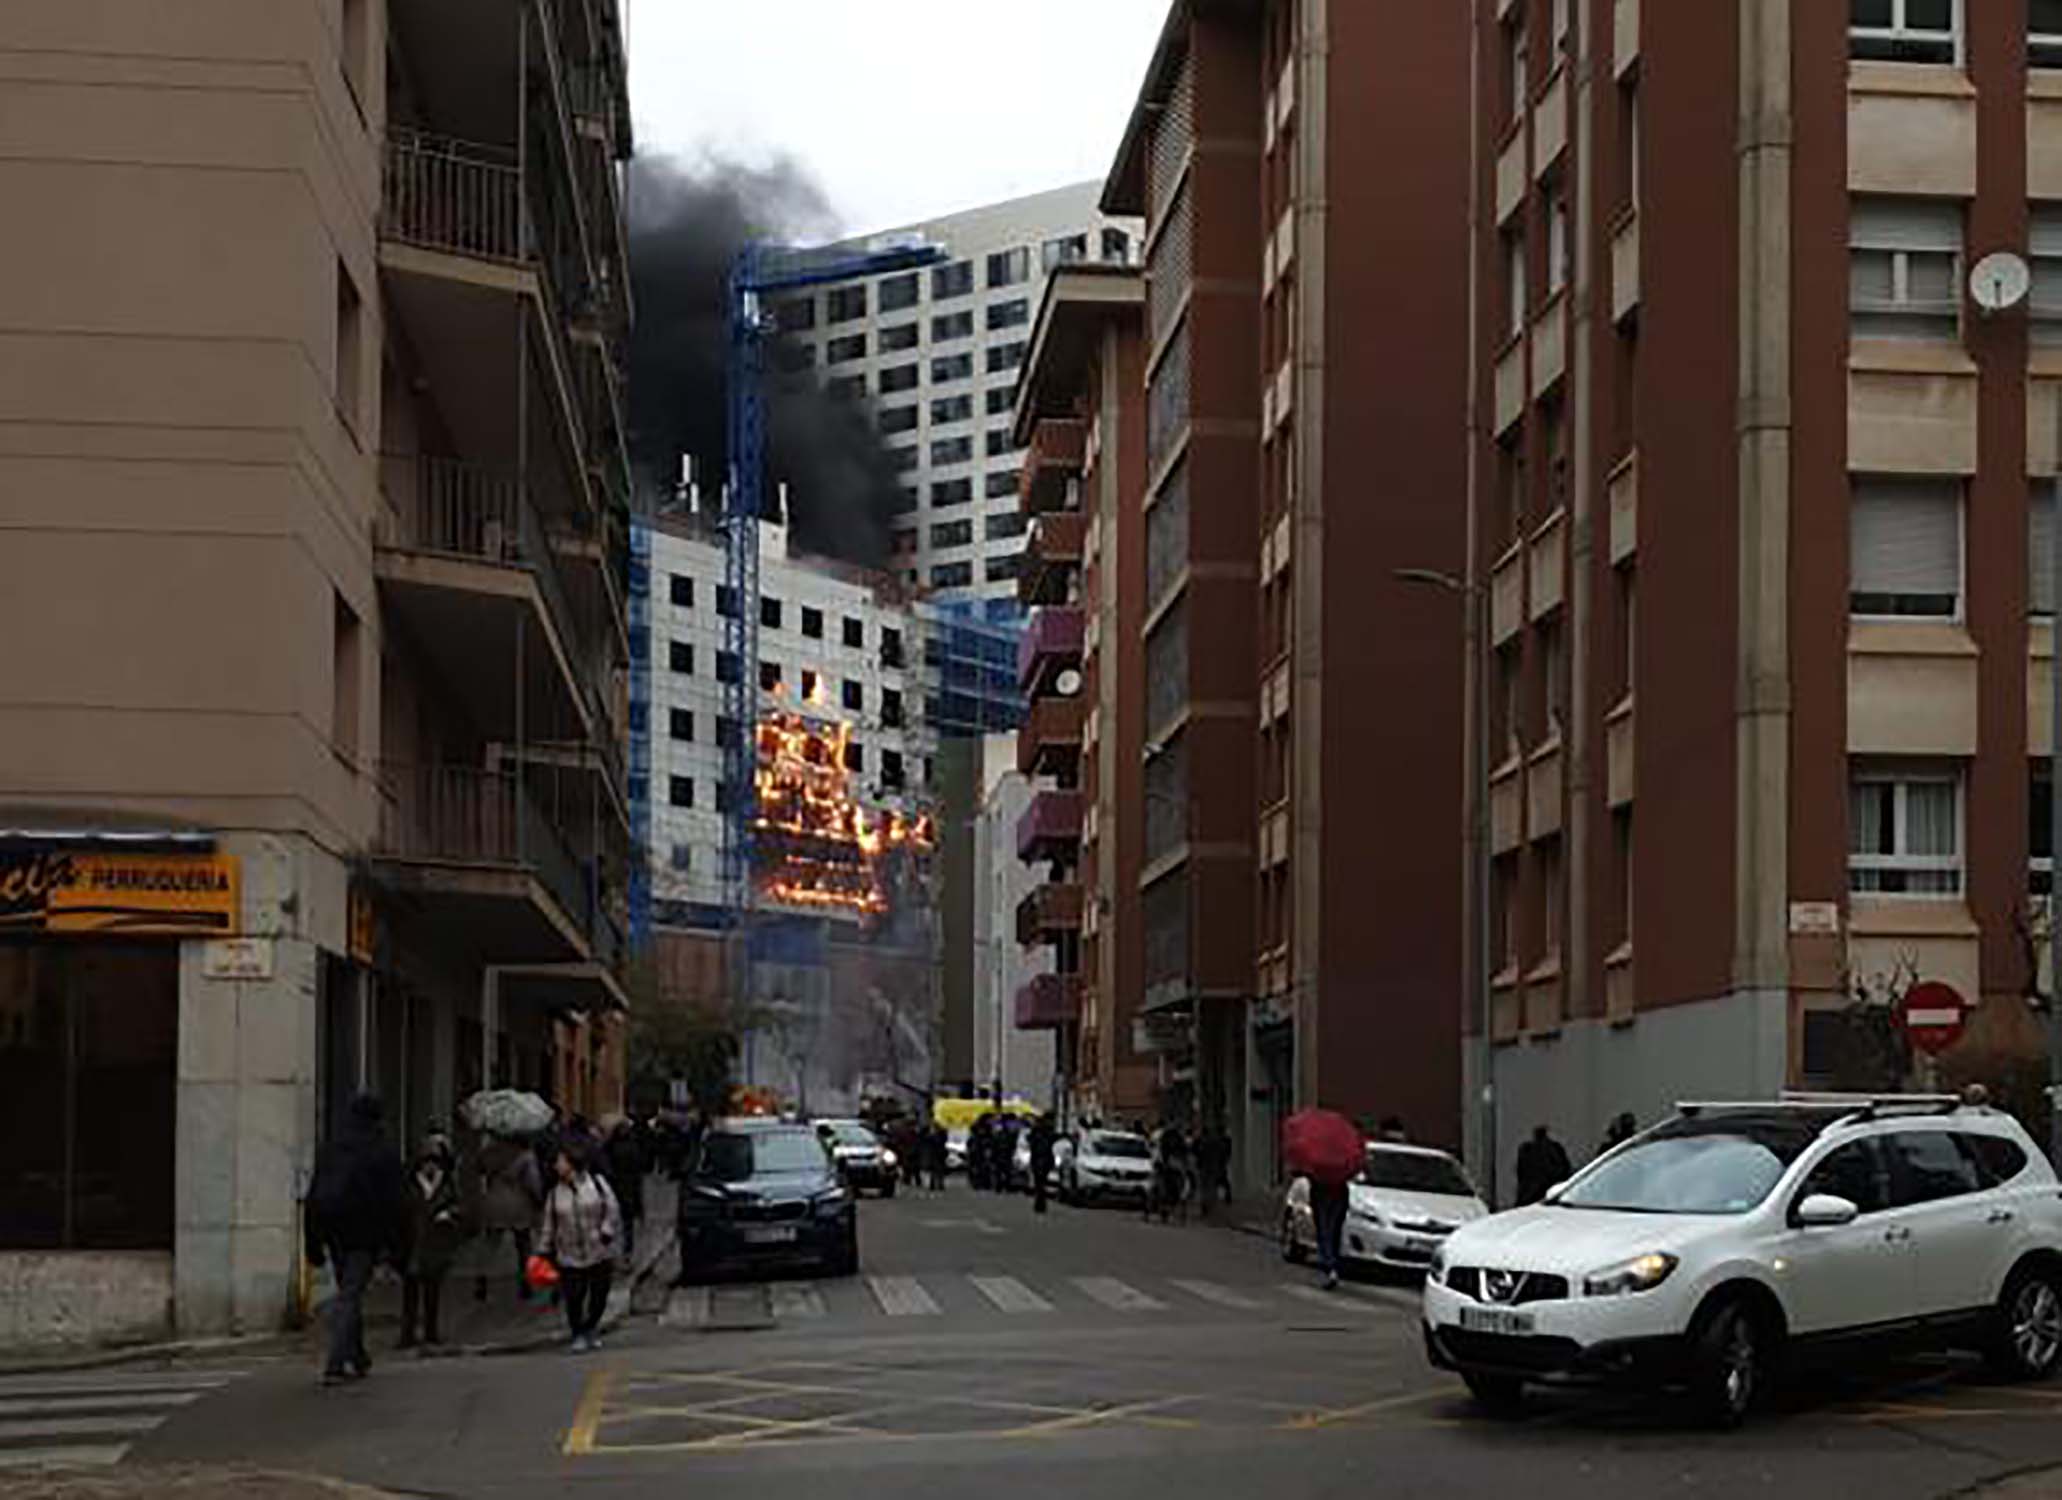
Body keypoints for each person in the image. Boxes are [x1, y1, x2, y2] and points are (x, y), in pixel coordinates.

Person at [304, 1093, 407, 1386]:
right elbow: (395, 1203)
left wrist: (312, 1241)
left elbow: (314, 1197)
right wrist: (396, 1246)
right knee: (349, 1295)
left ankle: (357, 1355)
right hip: (364, 1235)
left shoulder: (332, 1149)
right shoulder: (380, 1151)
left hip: (333, 1232)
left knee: (349, 1291)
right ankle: (335, 1363)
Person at [538, 1143, 622, 1353]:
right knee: (574, 1296)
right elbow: (549, 1222)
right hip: (568, 1253)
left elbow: (612, 1208)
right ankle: (578, 1333)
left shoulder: (597, 1184)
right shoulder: (555, 1193)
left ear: (572, 1163)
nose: (557, 1166)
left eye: (560, 1162)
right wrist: (544, 1248)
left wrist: (606, 1230)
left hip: (598, 1249)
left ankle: (591, 1327)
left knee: (599, 1294)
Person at [399, 1131, 467, 1351]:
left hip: (437, 1242)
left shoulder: (446, 1182)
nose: (430, 1167)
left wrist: (449, 1214)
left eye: (434, 1163)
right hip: (412, 1241)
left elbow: (459, 1207)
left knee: (432, 1289)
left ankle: (431, 1331)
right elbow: (400, 1209)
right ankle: (407, 1333)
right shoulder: (410, 1182)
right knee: (410, 1290)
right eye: (427, 1162)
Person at [475, 1131, 544, 1302]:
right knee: (523, 1246)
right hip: (518, 1203)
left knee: (490, 1244)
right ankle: (525, 1284)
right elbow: (533, 1182)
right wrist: (539, 1199)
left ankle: (482, 1279)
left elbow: (479, 1168)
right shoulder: (525, 1156)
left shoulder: (490, 1152)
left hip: (494, 1201)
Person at [601, 1117, 646, 1261]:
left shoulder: (609, 1146)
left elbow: (605, 1166)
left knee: (612, 1221)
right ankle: (626, 1252)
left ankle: (613, 1251)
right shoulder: (633, 1146)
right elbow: (638, 1173)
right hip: (628, 1189)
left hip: (615, 1188)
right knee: (627, 1224)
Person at [1515, 1124, 1575, 1207]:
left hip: (1536, 1192)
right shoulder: (1553, 1148)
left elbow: (1520, 1172)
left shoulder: (1527, 1149)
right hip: (1541, 1191)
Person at [1028, 1113, 1056, 1215]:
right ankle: (1040, 1203)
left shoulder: (1040, 1131)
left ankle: (1040, 1203)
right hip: (1042, 1158)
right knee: (1041, 1182)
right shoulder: (1046, 1131)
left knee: (1040, 1182)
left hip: (1041, 1159)